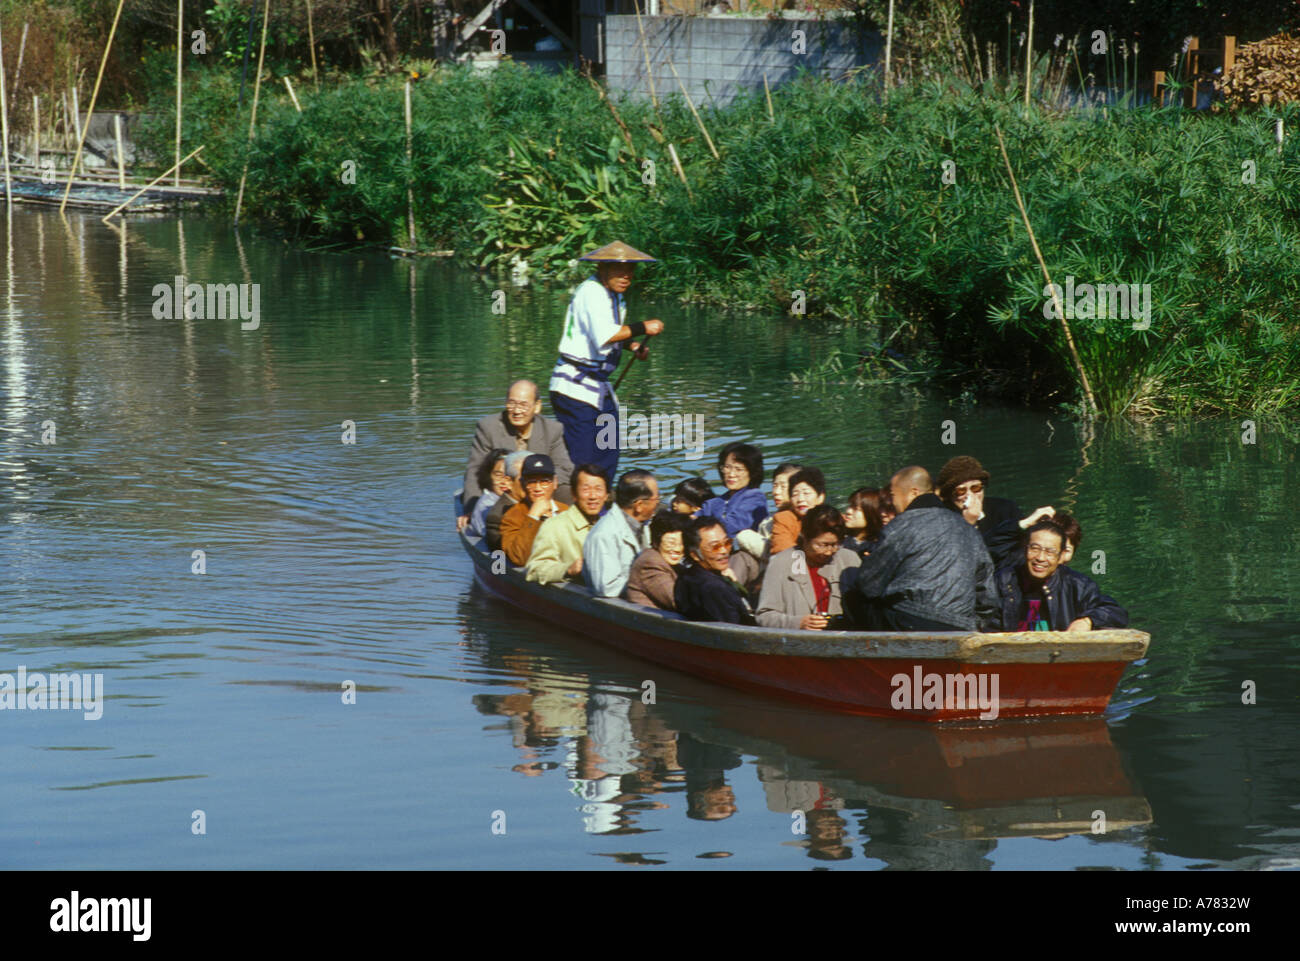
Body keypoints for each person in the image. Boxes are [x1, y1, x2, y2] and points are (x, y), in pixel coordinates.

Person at [548, 241, 664, 483]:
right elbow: (604, 334)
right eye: (619, 270)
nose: (626, 276)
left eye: (631, 271)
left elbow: (606, 334)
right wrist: (642, 327)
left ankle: (602, 504)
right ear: (602, 268)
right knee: (585, 460)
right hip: (575, 388)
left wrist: (631, 345)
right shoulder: (592, 292)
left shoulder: (615, 296)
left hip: (599, 388)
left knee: (608, 452)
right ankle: (579, 508)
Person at [852, 465, 998, 632]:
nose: (892, 502)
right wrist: (973, 624)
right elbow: (987, 596)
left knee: (854, 597)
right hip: (962, 625)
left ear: (913, 492)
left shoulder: (902, 524)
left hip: (911, 620)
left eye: (893, 495)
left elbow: (869, 584)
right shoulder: (968, 528)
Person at [458, 380, 573, 531]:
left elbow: (565, 468)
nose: (517, 411)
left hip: (538, 489)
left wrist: (539, 485)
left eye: (523, 405)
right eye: (512, 403)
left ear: (537, 406)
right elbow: (475, 470)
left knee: (570, 494)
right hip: (504, 492)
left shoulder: (552, 429)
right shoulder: (488, 427)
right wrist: (471, 509)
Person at [994, 519, 1128, 632]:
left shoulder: (1078, 585)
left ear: (1061, 556)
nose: (1040, 558)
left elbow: (1116, 613)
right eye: (1034, 549)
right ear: (1025, 548)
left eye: (1050, 552)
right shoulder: (1003, 581)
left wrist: (1088, 621)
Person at [756, 505, 862, 630]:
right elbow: (764, 615)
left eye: (834, 545)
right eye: (822, 545)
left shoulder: (848, 559)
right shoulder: (783, 562)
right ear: (805, 537)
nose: (829, 552)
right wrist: (797, 623)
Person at [934, 456, 1029, 568]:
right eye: (961, 491)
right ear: (950, 495)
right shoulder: (942, 518)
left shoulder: (1005, 508)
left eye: (975, 488)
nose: (969, 495)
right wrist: (968, 523)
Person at [526, 464, 611, 585]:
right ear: (574, 494)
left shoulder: (611, 526)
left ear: (606, 495)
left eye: (598, 489)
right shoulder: (555, 526)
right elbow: (534, 569)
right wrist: (567, 569)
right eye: (586, 489)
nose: (593, 496)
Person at [584, 469, 659, 597]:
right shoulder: (604, 534)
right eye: (656, 499)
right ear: (639, 505)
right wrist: (650, 583)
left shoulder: (642, 525)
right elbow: (606, 587)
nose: (658, 503)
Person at [674, 517, 756, 625]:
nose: (724, 551)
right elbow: (735, 631)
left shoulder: (685, 578)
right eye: (715, 547)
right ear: (695, 555)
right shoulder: (713, 588)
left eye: (727, 543)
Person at [501, 454, 568, 567]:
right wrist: (533, 516)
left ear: (555, 483)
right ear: (522, 484)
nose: (538, 488)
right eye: (531, 482)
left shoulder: (566, 511)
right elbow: (519, 558)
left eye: (544, 481)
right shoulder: (512, 516)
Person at [697, 442, 768, 537]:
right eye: (727, 467)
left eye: (738, 469)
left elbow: (732, 527)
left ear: (752, 473)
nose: (731, 474)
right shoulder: (715, 502)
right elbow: (694, 518)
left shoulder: (755, 497)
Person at [625, 511, 692, 610]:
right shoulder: (651, 563)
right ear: (657, 541)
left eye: (683, 543)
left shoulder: (672, 565)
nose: (678, 549)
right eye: (671, 543)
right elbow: (679, 602)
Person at [736, 461, 801, 558]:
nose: (776, 492)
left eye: (783, 487)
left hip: (788, 561)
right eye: (775, 485)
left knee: (744, 536)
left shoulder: (804, 518)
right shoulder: (767, 521)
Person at [769, 467, 826, 555]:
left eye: (806, 493)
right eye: (795, 494)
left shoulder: (831, 517)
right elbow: (782, 549)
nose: (800, 499)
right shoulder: (784, 519)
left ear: (820, 497)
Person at [485, 450, 533, 552]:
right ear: (508, 482)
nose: (532, 485)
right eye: (525, 479)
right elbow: (499, 564)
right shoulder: (497, 517)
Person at [466, 448, 510, 540]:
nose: (504, 481)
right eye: (498, 475)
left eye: (509, 475)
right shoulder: (486, 506)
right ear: (488, 476)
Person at [841, 487, 889, 557]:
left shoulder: (879, 545)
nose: (848, 511)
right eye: (850, 506)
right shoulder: (839, 535)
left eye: (856, 509)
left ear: (871, 513)